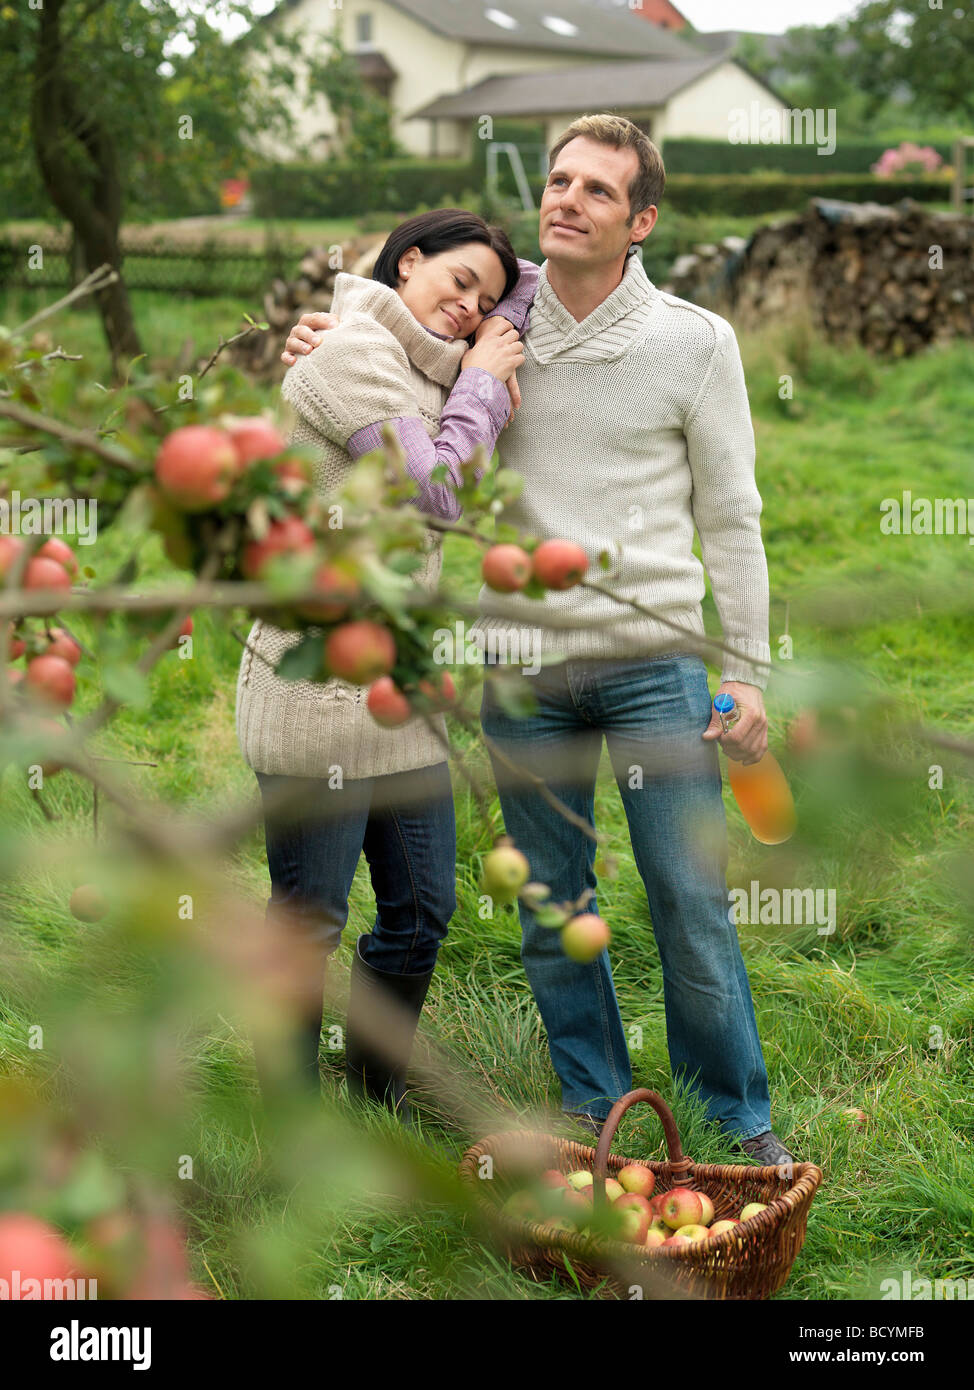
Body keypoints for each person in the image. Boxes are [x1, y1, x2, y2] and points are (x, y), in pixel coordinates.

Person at [283, 116, 796, 1166]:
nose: (564, 199)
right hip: (517, 662)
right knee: (551, 904)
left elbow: (731, 518)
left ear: (640, 220)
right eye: (556, 181)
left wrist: (743, 671)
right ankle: (590, 1103)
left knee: (687, 896)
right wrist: (320, 334)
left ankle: (734, 1119)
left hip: (653, 666)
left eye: (595, 191)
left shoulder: (694, 343)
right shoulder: (494, 325)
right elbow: (384, 336)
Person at [237, 208, 529, 1121]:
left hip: (400, 695)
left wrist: (480, 353)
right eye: (457, 283)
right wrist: (481, 380)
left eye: (484, 301)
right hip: (317, 691)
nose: (470, 308)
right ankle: (287, 1119)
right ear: (410, 263)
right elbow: (430, 496)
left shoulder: (422, 370)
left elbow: (522, 306)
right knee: (311, 918)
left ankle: (372, 1095)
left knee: (421, 911)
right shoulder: (353, 356)